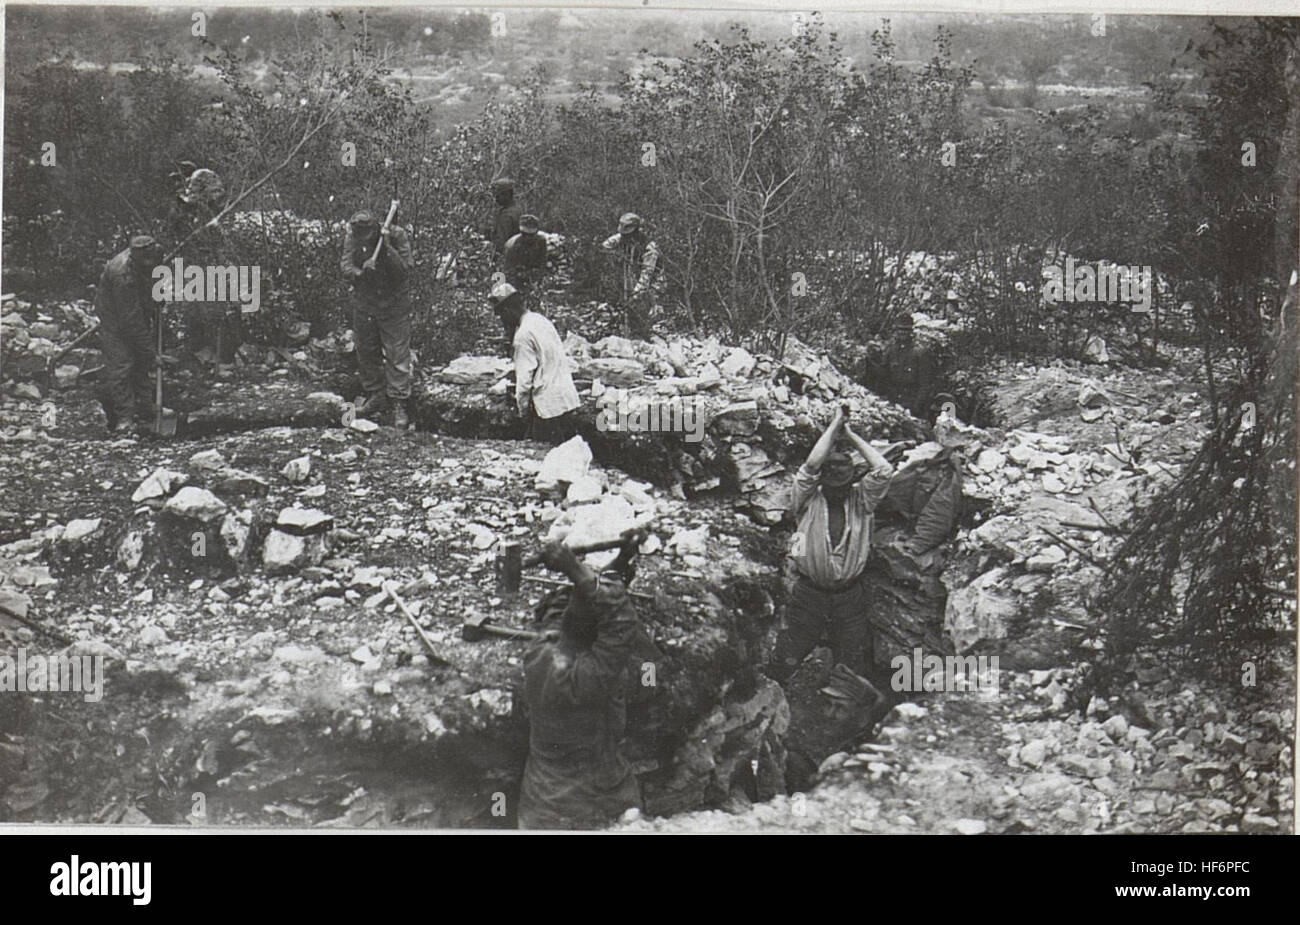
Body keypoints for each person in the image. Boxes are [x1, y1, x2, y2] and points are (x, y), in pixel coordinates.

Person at [518, 540, 644, 830]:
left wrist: (622, 558)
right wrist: (574, 567)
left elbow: (579, 600)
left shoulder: (543, 646)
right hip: (571, 813)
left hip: (552, 802)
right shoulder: (585, 676)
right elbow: (621, 622)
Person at [768, 405, 895, 686]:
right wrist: (835, 425)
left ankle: (843, 713)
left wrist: (850, 435)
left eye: (844, 473)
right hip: (809, 594)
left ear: (853, 478)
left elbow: (884, 470)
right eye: (831, 472)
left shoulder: (862, 501)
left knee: (851, 661)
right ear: (822, 480)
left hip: (850, 598)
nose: (838, 480)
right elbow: (811, 466)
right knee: (788, 654)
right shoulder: (806, 500)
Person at [340, 209, 414, 429]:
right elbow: (345, 266)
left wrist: (386, 250)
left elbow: (405, 269)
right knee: (366, 350)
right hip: (365, 303)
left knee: (397, 353)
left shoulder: (396, 234)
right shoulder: (352, 236)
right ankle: (376, 395)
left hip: (394, 304)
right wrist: (361, 272)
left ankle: (399, 402)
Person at [488, 282, 580, 442]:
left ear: (507, 310)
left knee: (542, 455)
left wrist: (522, 411)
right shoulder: (540, 320)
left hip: (548, 407)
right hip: (566, 398)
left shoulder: (522, 335)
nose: (502, 320)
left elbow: (524, 382)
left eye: (501, 315)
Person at [94, 235, 165, 433]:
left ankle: (146, 410)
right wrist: (152, 355)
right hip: (114, 319)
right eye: (145, 260)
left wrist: (157, 294)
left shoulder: (155, 252)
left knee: (141, 361)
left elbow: (157, 273)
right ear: (134, 257)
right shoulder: (121, 275)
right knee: (122, 365)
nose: (150, 261)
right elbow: (130, 323)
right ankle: (124, 418)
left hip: (136, 307)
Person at [600, 212, 660, 336]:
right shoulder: (623, 239)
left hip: (651, 283)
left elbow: (647, 274)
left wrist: (636, 293)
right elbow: (606, 245)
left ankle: (643, 334)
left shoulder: (649, 248)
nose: (624, 237)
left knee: (643, 311)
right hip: (630, 277)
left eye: (627, 234)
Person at [502, 213, 548, 303]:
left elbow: (542, 262)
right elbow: (508, 270)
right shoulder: (512, 246)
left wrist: (537, 279)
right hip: (516, 276)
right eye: (525, 234)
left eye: (532, 235)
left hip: (532, 275)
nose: (529, 238)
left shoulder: (541, 241)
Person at [485, 178, 522, 257]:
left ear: (507, 195)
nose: (496, 199)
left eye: (498, 195)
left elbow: (501, 242)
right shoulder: (517, 209)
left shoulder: (507, 215)